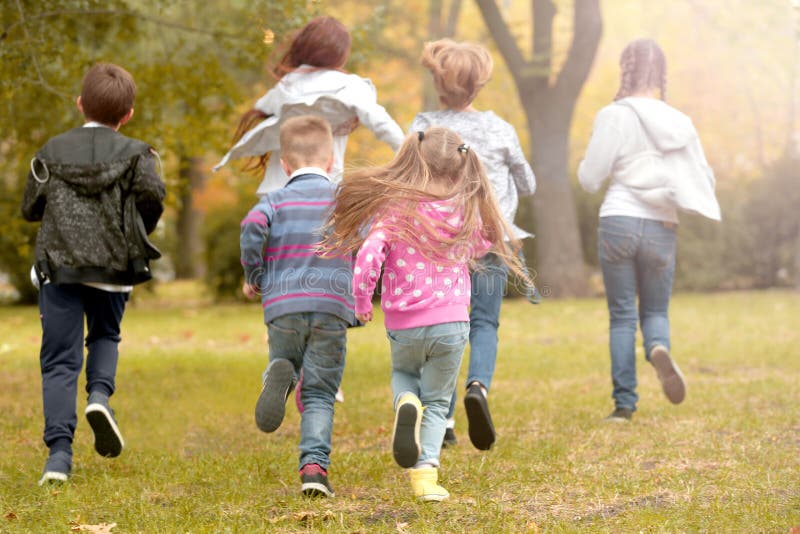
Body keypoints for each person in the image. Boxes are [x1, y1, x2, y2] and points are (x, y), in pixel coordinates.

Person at [322, 126, 528, 502]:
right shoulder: (464, 208)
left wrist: (362, 301)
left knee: (404, 375)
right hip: (452, 323)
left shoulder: (398, 206)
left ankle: (405, 403)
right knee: (438, 401)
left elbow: (369, 255)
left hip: (404, 323)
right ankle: (426, 479)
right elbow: (485, 242)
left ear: (416, 159)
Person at [21, 63, 166, 485]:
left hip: (60, 268)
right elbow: (153, 195)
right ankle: (100, 396)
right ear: (128, 114)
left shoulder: (49, 152)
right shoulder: (140, 154)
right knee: (105, 335)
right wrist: (137, 228)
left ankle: (59, 457)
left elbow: (31, 208)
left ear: (80, 103)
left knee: (59, 362)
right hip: (114, 266)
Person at [578, 38, 720, 422]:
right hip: (662, 223)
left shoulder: (613, 115)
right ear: (661, 72)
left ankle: (624, 406)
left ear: (627, 68)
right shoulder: (680, 121)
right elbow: (703, 176)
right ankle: (658, 346)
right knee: (655, 310)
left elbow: (591, 178)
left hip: (619, 219)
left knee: (622, 316)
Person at [410, 39, 536, 450]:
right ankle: (478, 386)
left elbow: (407, 179)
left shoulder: (424, 127)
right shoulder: (500, 128)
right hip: (491, 239)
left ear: (438, 82)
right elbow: (529, 184)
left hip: (440, 243)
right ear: (479, 85)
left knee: (445, 325)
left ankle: (442, 418)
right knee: (484, 323)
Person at [240, 115, 357, 498]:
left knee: (287, 361)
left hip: (283, 306)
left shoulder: (274, 200)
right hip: (332, 305)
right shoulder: (343, 201)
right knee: (320, 393)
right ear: (330, 163)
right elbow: (368, 238)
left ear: (284, 166)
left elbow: (252, 226)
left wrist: (255, 276)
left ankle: (281, 373)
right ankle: (313, 469)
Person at [215, 15, 405, 195]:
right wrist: (409, 155)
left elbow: (263, 106)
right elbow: (382, 123)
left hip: (277, 190)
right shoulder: (349, 86)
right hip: (324, 191)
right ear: (341, 54)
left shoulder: (288, 84)